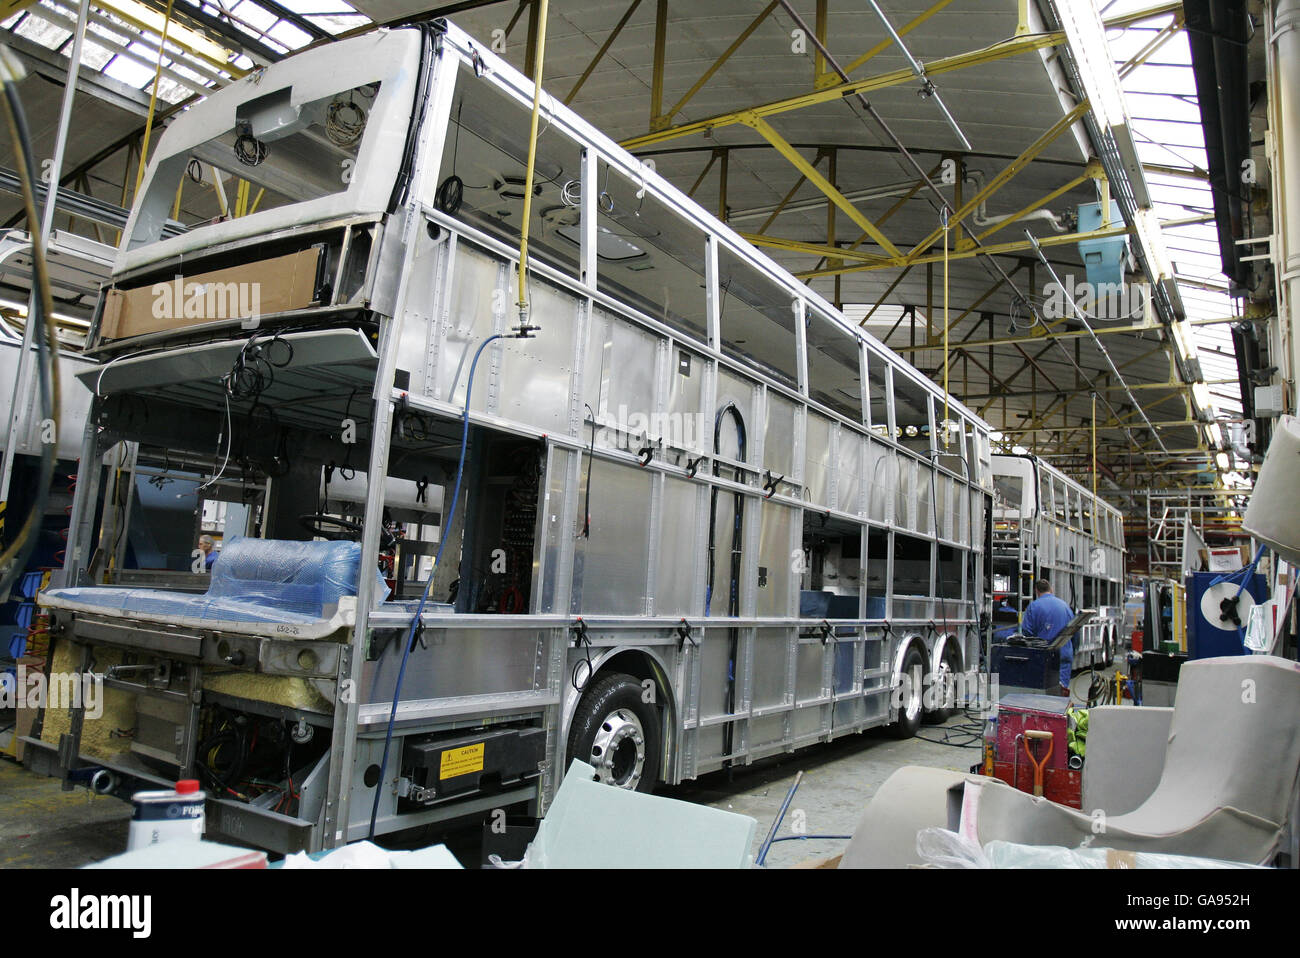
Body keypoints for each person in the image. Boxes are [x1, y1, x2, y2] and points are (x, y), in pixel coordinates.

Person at [1021, 578, 1075, 695]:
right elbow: (1075, 630)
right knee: (1062, 691)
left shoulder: (1033, 607)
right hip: (1064, 653)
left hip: (1043, 656)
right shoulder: (1065, 606)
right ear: (1051, 589)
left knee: (1044, 694)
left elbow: (1027, 633)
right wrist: (1072, 650)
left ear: (1036, 591)